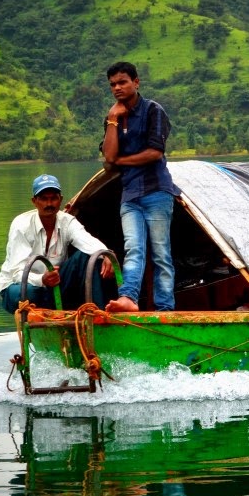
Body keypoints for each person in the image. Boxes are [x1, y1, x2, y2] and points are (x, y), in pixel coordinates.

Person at [100, 61, 180, 313]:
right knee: (133, 248)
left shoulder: (153, 111)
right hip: (130, 194)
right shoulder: (112, 117)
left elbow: (155, 152)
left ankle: (165, 308)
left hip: (157, 191)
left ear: (136, 82)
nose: (117, 88)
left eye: (122, 82)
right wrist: (112, 120)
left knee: (160, 253)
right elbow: (109, 155)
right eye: (113, 84)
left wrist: (120, 161)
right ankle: (129, 298)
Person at [0, 174, 114, 314]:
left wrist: (106, 254)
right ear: (34, 201)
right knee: (29, 293)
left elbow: (86, 240)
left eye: (53, 198)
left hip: (54, 285)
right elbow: (17, 273)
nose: (49, 204)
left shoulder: (67, 221)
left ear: (61, 200)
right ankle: (51, 313)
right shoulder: (21, 225)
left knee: (88, 257)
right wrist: (42, 279)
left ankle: (97, 315)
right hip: (19, 286)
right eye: (44, 199)